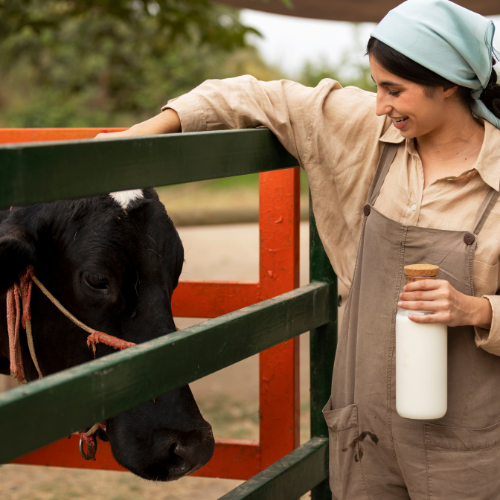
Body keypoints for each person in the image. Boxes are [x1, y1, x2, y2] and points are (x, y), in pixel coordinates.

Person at [97, 1, 500, 498]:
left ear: (449, 83)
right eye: (376, 86)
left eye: (395, 90)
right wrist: (133, 143)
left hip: (468, 445)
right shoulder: (363, 134)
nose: (380, 105)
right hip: (367, 433)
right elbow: (247, 95)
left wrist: (477, 309)